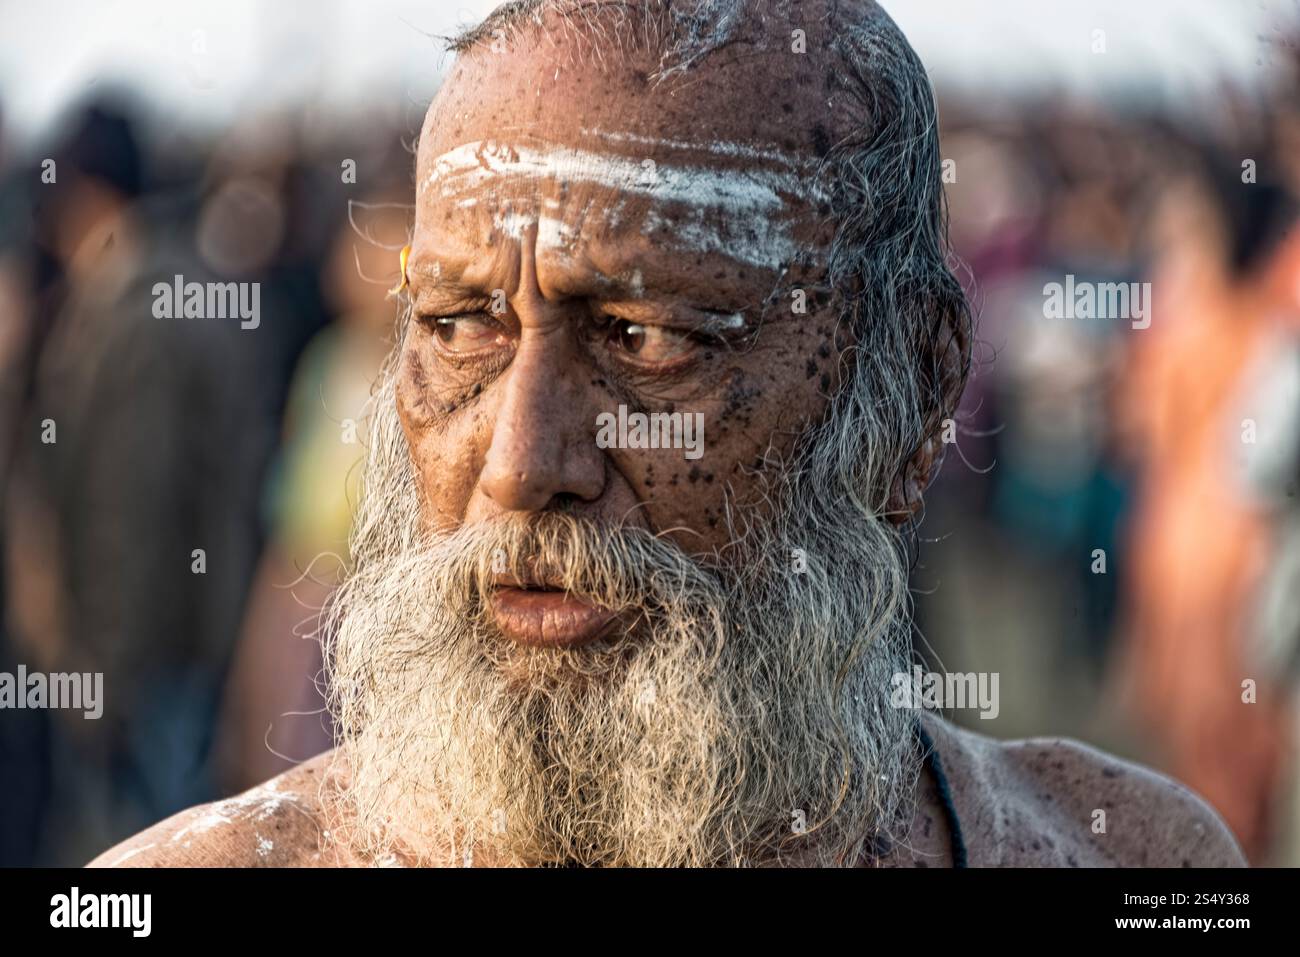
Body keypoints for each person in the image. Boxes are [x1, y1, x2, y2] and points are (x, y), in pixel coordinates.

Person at [90, 0, 1243, 868]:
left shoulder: (1132, 859)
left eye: (646, 339)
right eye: (459, 328)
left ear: (917, 385)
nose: (522, 465)